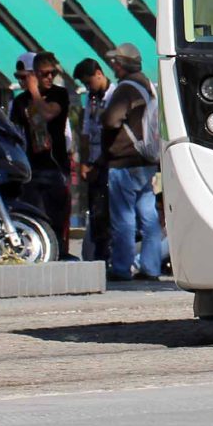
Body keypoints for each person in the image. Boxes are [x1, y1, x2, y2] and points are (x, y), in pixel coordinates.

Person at [99, 43, 166, 282]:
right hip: (145, 159)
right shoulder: (148, 85)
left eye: (115, 62)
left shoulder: (125, 89)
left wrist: (102, 115)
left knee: (123, 218)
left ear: (121, 64)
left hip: (124, 161)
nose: (113, 67)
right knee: (148, 216)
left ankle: (121, 267)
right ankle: (151, 267)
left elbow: (112, 121)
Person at [10, 51, 73, 257]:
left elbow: (47, 114)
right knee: (34, 213)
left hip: (55, 166)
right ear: (34, 74)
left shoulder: (59, 94)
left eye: (52, 74)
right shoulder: (20, 102)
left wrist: (35, 91)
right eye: (44, 74)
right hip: (32, 166)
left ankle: (59, 252)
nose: (49, 78)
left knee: (57, 214)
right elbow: (15, 132)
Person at [71, 57, 112, 264]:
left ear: (99, 73)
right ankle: (99, 254)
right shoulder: (92, 99)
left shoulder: (115, 94)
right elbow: (86, 131)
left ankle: (108, 255)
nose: (89, 87)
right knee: (95, 210)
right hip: (94, 161)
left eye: (89, 81)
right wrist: (85, 161)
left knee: (107, 211)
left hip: (109, 162)